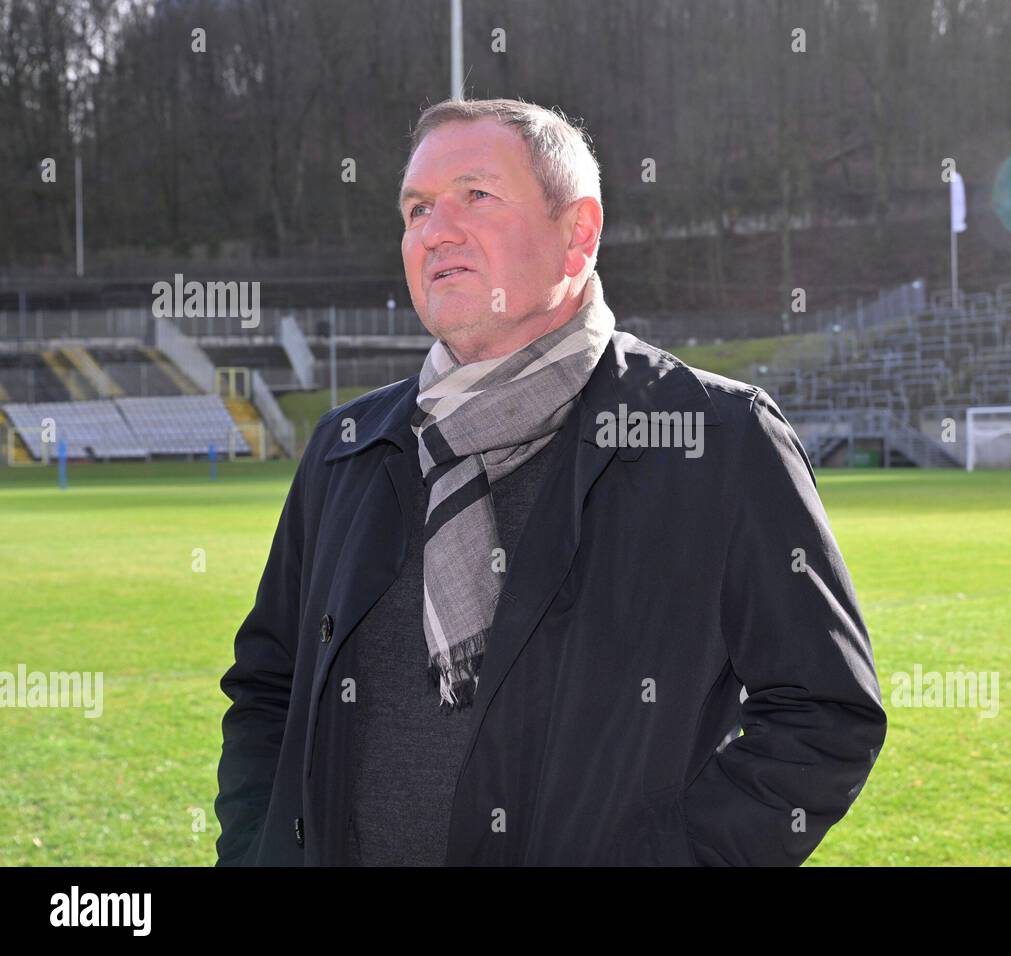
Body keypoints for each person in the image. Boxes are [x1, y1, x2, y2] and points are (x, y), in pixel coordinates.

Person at [214, 96, 887, 866]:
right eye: (416, 209)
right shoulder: (348, 448)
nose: (435, 231)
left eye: (476, 195)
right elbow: (270, 691)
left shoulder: (718, 439)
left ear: (579, 234)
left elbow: (823, 716)